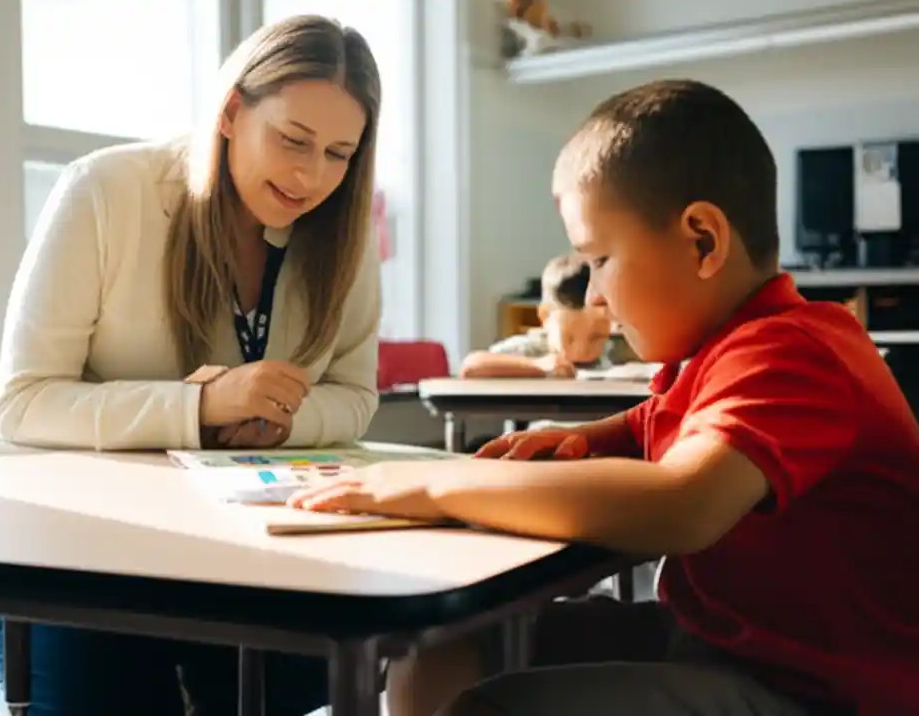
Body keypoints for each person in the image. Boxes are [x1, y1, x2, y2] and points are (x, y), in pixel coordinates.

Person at [289, 79, 919, 715]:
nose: (592, 296)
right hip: (721, 645)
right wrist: (594, 439)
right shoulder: (716, 352)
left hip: (814, 692)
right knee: (447, 641)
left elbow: (685, 503)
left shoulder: (795, 351)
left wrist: (438, 486)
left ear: (703, 241)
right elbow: (656, 422)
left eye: (600, 258)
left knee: (495, 707)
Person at [0, 14, 382, 715]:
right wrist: (205, 404)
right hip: (60, 537)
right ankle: (3, 689)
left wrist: (281, 419)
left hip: (232, 533)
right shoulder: (104, 190)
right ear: (229, 111)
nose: (312, 175)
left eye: (340, 154)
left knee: (307, 688)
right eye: (292, 140)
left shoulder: (341, 234)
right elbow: (26, 401)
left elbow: (353, 393)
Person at [460, 253, 611, 379]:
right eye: (569, 338)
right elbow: (471, 366)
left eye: (596, 338)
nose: (582, 351)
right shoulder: (529, 350)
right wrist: (537, 365)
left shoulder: (606, 358)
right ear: (545, 317)